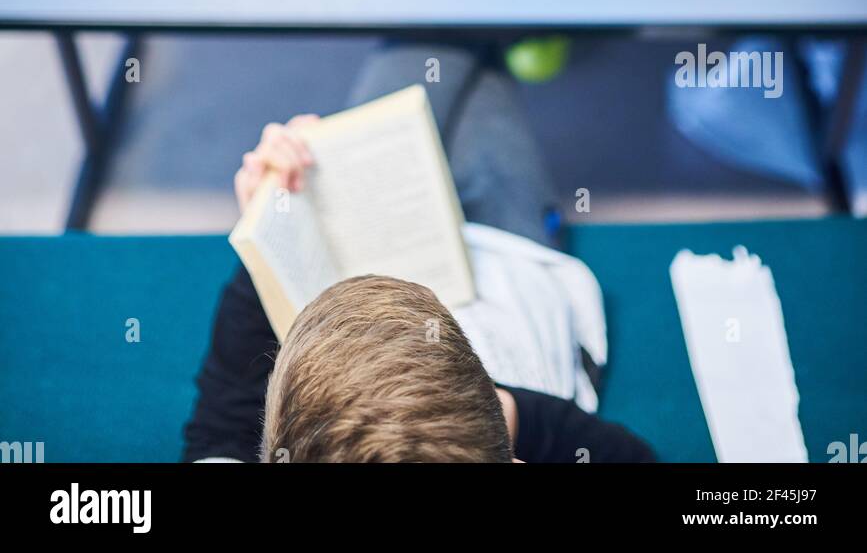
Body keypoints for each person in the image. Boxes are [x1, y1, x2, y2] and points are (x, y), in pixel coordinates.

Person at [182, 43, 656, 464]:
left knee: (427, 38)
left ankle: (509, 32)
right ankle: (515, 34)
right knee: (471, 39)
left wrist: (268, 233)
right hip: (513, 258)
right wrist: (504, 411)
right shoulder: (489, 424)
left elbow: (221, 428)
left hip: (360, 254)